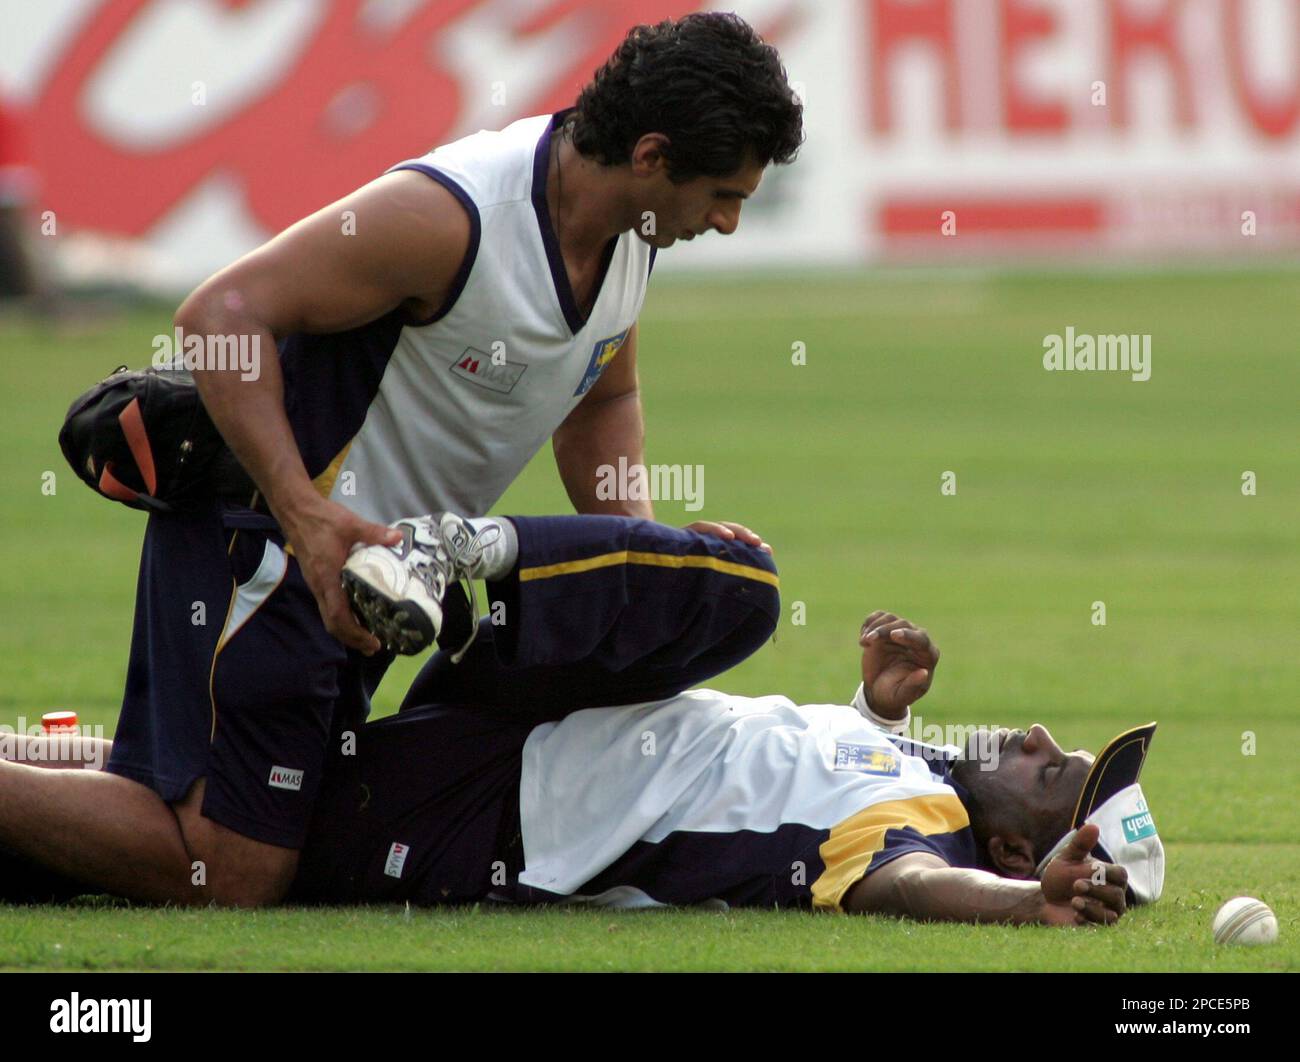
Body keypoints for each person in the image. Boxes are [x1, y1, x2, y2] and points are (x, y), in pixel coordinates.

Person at [1, 13, 803, 908]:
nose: (728, 221)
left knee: (279, 813)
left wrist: (639, 563)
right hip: (271, 544)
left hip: (373, 577)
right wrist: (307, 518)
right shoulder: (453, 217)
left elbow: (602, 399)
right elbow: (219, 315)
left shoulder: (630, 234)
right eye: (724, 195)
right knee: (232, 868)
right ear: (652, 155)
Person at [2, 514, 1162, 924]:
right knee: (730, 587)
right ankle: (455, 557)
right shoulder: (917, 771)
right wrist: (869, 704)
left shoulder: (917, 842)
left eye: (1054, 775)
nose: (1038, 739)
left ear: (1014, 848)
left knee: (221, 836)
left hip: (488, 820)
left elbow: (906, 886)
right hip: (526, 729)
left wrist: (1025, 907)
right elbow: (786, 773)